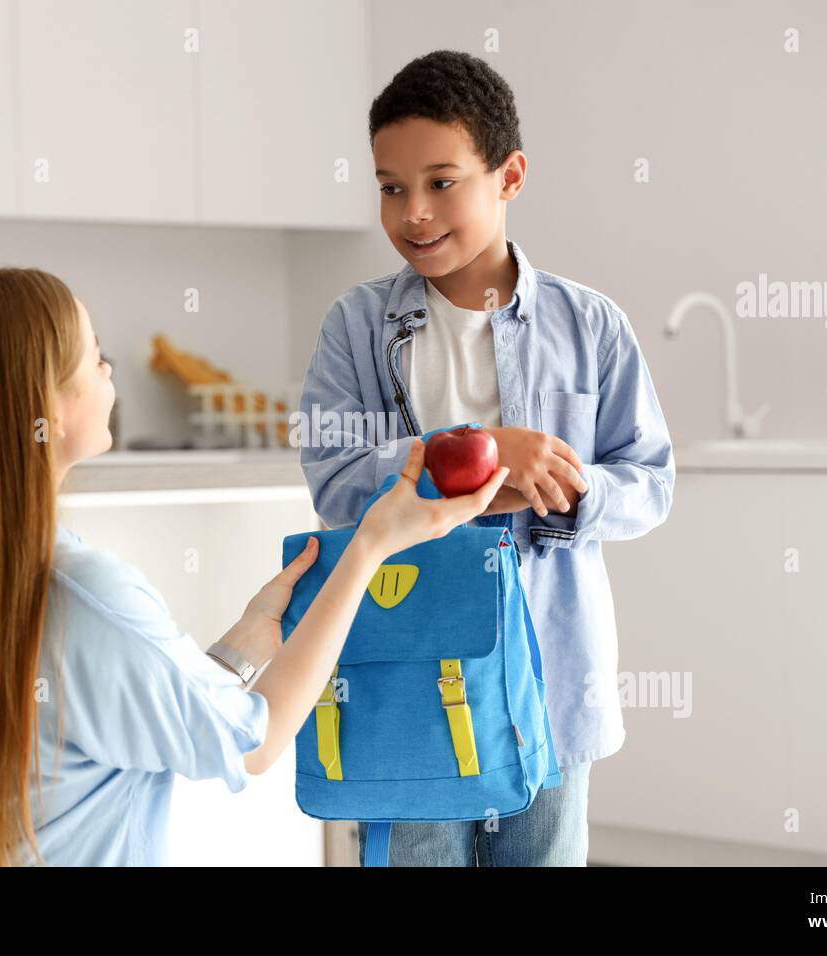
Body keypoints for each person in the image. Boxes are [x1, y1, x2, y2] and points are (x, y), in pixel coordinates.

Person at [0, 266, 508, 866]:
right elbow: (257, 739)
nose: (108, 370)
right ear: (41, 404)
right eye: (93, 356)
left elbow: (127, 707)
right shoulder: (84, 598)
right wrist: (367, 550)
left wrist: (246, 641)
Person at [298, 51, 676, 866]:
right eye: (391, 187)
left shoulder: (592, 325)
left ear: (508, 177)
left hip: (550, 670)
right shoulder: (356, 325)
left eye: (442, 182)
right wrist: (474, 456)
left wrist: (572, 493)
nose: (415, 213)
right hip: (407, 665)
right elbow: (333, 482)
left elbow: (650, 480)